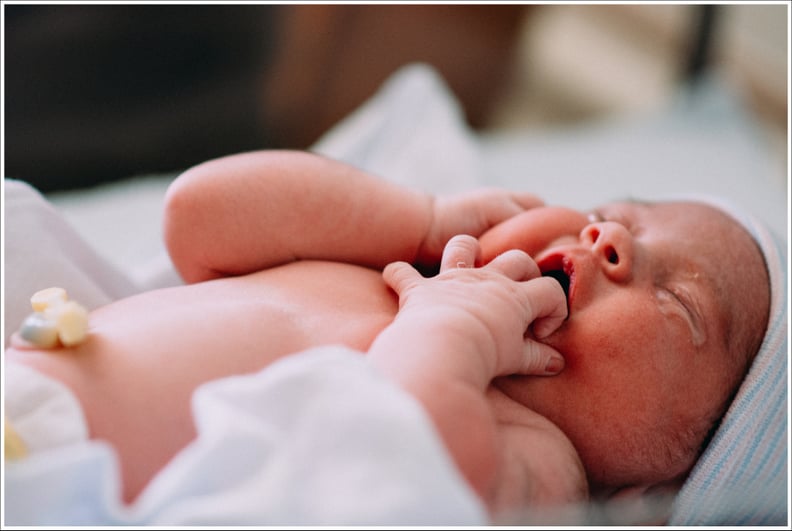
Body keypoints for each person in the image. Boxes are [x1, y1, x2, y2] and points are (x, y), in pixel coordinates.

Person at [5, 150, 772, 521]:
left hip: (61, 488)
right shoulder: (397, 262)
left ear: (664, 479)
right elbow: (198, 218)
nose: (611, 239)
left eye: (680, 303)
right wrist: (417, 219)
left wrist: (454, 334)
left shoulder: (538, 457)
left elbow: (407, 463)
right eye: (616, 211)